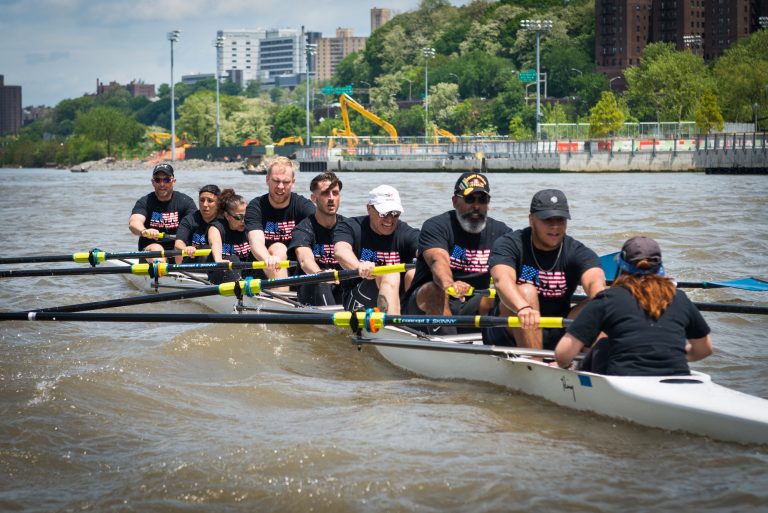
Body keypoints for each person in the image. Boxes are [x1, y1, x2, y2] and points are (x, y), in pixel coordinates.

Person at [555, 236, 713, 375]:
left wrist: (566, 365)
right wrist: (668, 354)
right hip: (676, 377)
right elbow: (704, 350)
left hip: (623, 379)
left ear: (622, 267)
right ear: (660, 266)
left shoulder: (608, 299)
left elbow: (562, 355)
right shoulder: (679, 297)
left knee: (603, 345)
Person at [486, 189, 606, 349]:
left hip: (558, 326)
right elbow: (502, 280)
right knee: (527, 291)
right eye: (547, 220)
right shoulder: (510, 244)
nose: (555, 227)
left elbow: (594, 281)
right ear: (531, 219)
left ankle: (593, 362)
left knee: (602, 302)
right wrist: (523, 307)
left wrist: (603, 300)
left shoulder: (577, 251)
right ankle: (535, 363)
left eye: (560, 220)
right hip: (508, 328)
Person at [404, 172, 512, 327]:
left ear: (488, 203)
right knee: (436, 290)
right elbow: (437, 260)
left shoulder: (502, 232)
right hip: (424, 303)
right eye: (469, 199)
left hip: (473, 302)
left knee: (501, 295)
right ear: (454, 201)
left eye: (482, 200)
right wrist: (449, 285)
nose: (476, 206)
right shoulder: (436, 226)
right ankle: (445, 343)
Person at [333, 184, 419, 314]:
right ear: (369, 209)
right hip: (358, 297)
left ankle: (421, 326)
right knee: (389, 273)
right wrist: (359, 266)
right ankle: (393, 327)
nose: (389, 219)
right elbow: (341, 250)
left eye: (395, 213)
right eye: (383, 213)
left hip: (396, 297)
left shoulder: (406, 232)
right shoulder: (351, 227)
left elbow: (426, 250)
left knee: (415, 273)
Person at [245, 156, 315, 281]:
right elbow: (256, 241)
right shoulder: (256, 206)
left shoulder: (304, 206)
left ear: (293, 182)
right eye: (276, 181)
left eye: (286, 182)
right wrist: (267, 258)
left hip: (295, 268)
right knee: (278, 248)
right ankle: (284, 296)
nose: (281, 186)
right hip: (263, 267)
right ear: (267, 180)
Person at [288, 172, 345, 306]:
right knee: (321, 282)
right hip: (313, 287)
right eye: (325, 193)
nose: (331, 198)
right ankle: (335, 325)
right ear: (314, 198)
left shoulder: (349, 226)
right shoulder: (303, 229)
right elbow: (304, 260)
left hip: (341, 285)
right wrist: (322, 274)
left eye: (335, 193)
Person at [128, 163, 197, 258]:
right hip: (151, 248)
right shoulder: (145, 202)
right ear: (153, 182)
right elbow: (134, 223)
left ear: (174, 181)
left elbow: (196, 224)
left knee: (180, 248)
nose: (162, 184)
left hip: (178, 248)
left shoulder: (186, 202)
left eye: (166, 180)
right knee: (157, 249)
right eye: (157, 180)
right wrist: (144, 231)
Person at [207, 189, 252, 284]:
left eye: (246, 216)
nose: (243, 221)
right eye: (239, 217)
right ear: (227, 216)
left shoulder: (251, 227)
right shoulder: (216, 228)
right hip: (221, 272)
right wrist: (219, 259)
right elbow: (215, 243)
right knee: (233, 259)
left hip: (245, 273)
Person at [173, 184, 221, 264]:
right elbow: (178, 244)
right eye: (202, 200)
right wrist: (186, 248)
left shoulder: (224, 220)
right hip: (193, 260)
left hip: (217, 261)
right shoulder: (189, 219)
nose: (205, 204)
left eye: (210, 201)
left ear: (218, 203)